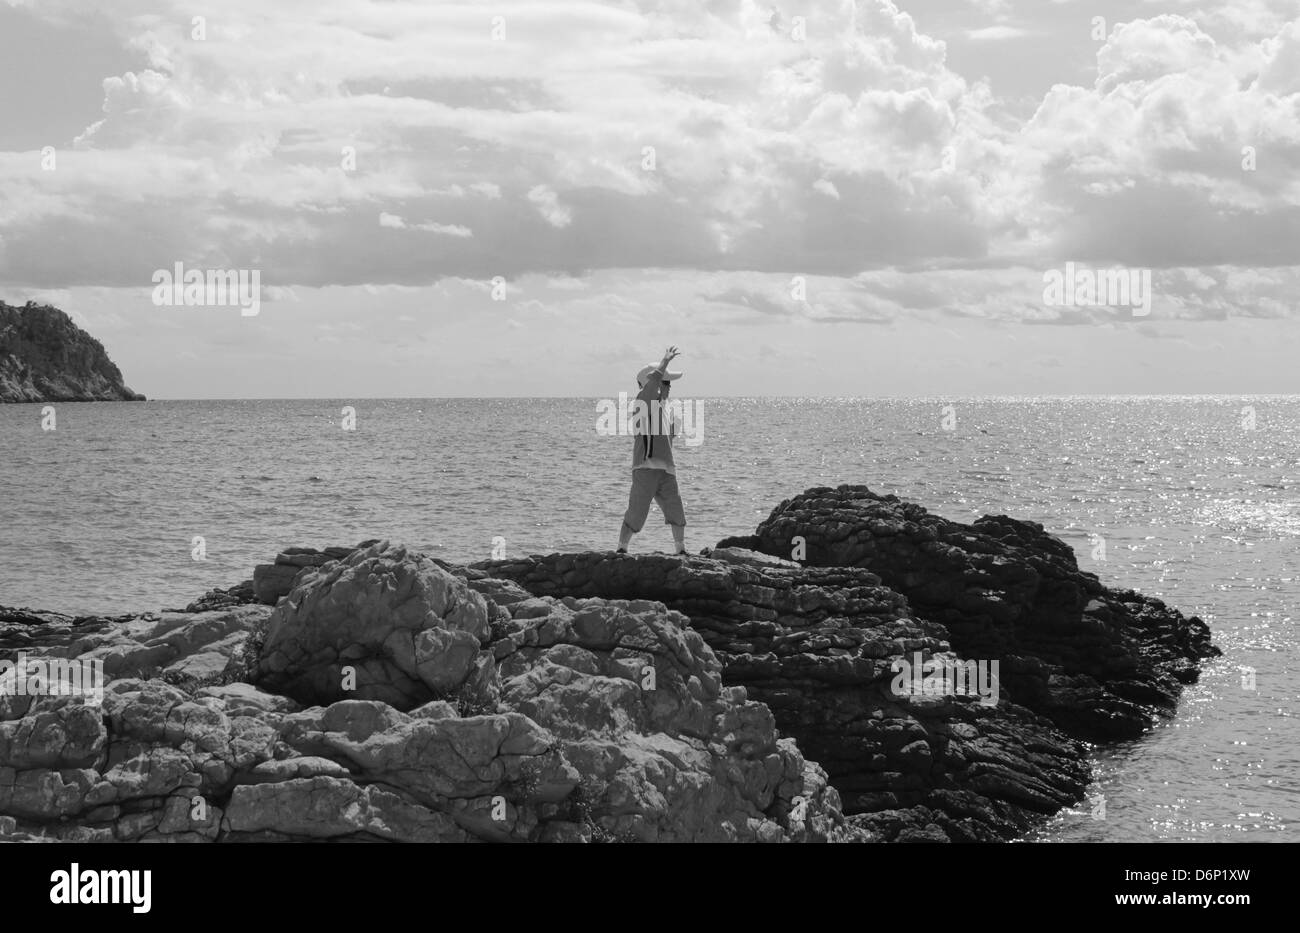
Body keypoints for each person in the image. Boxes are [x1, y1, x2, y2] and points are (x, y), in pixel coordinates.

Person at [617, 345, 687, 555]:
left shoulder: (664, 409)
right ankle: (622, 548)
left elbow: (665, 441)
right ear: (653, 385)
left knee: (676, 510)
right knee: (637, 512)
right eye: (666, 382)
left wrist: (673, 431)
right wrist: (664, 362)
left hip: (666, 469)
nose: (669, 387)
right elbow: (653, 382)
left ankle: (680, 549)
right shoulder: (643, 401)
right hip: (645, 468)